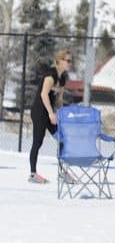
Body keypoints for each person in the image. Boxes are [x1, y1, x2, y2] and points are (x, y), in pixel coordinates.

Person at [28, 50, 72, 183]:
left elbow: (59, 100)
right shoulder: (50, 75)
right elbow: (43, 95)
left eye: (71, 61)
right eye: (68, 60)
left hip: (50, 113)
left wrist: (61, 114)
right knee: (38, 141)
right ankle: (33, 174)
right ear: (59, 60)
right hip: (39, 112)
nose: (70, 63)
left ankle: (63, 173)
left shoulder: (63, 78)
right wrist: (51, 113)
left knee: (62, 139)